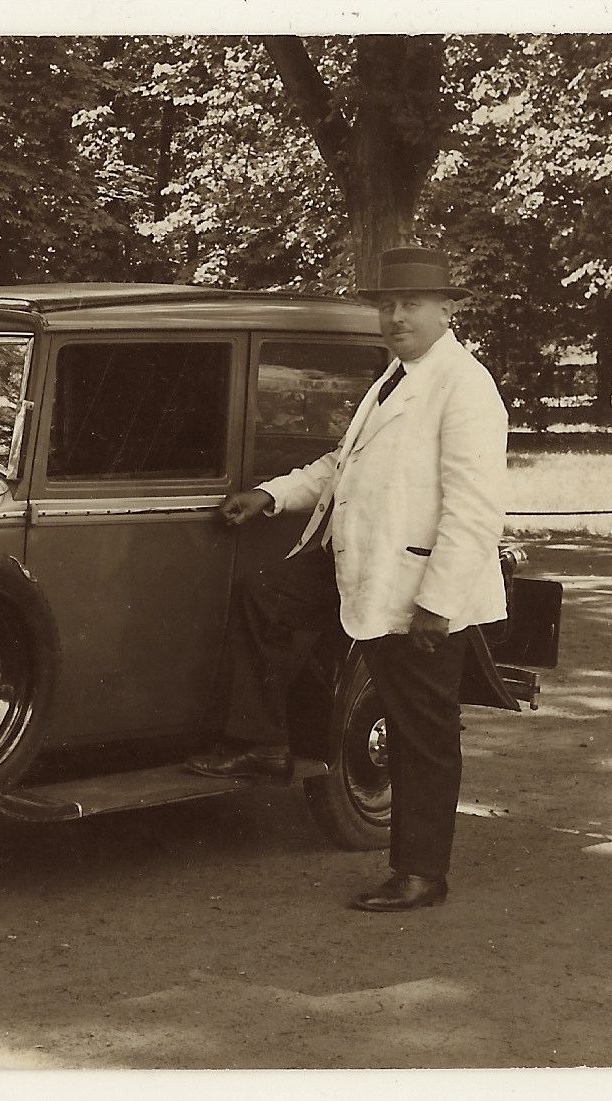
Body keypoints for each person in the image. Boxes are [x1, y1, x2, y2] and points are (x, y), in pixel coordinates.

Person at [184, 246, 509, 913]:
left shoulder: (465, 387)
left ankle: (421, 873)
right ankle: (264, 744)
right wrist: (272, 495)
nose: (396, 317)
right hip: (359, 563)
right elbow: (342, 463)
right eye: (387, 305)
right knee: (265, 597)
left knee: (420, 732)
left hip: (416, 585)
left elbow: (475, 511)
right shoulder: (394, 376)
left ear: (446, 311)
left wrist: (438, 603)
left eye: (410, 304)